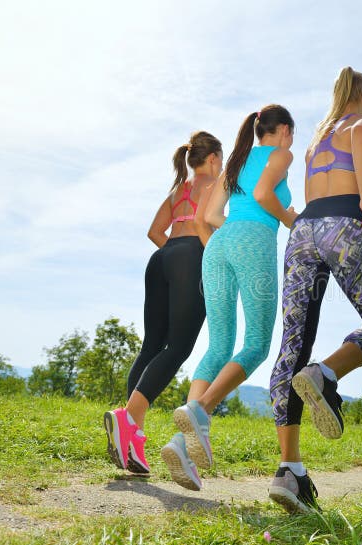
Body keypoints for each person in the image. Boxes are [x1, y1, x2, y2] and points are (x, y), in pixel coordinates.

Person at [268, 67, 362, 513]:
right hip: (343, 227)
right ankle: (325, 375)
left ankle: (291, 472)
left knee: (291, 346)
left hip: (304, 231)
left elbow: (324, 193)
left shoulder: (315, 140)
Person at [160, 105, 298, 491]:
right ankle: (200, 412)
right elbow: (262, 194)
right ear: (283, 130)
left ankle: (182, 445)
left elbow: (208, 216)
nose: (290, 142)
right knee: (255, 345)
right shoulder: (281, 155)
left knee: (219, 345)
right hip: (253, 243)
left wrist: (238, 225)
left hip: (218, 245)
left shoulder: (236, 160)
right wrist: (288, 219)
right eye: (291, 134)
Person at [103, 132, 222, 474]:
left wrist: (173, 253)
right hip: (190, 258)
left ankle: (131, 438)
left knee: (152, 345)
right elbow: (205, 225)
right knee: (178, 348)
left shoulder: (178, 189)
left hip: (161, 259)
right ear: (212, 159)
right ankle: (128, 419)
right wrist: (202, 257)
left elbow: (156, 231)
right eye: (222, 159)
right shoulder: (215, 184)